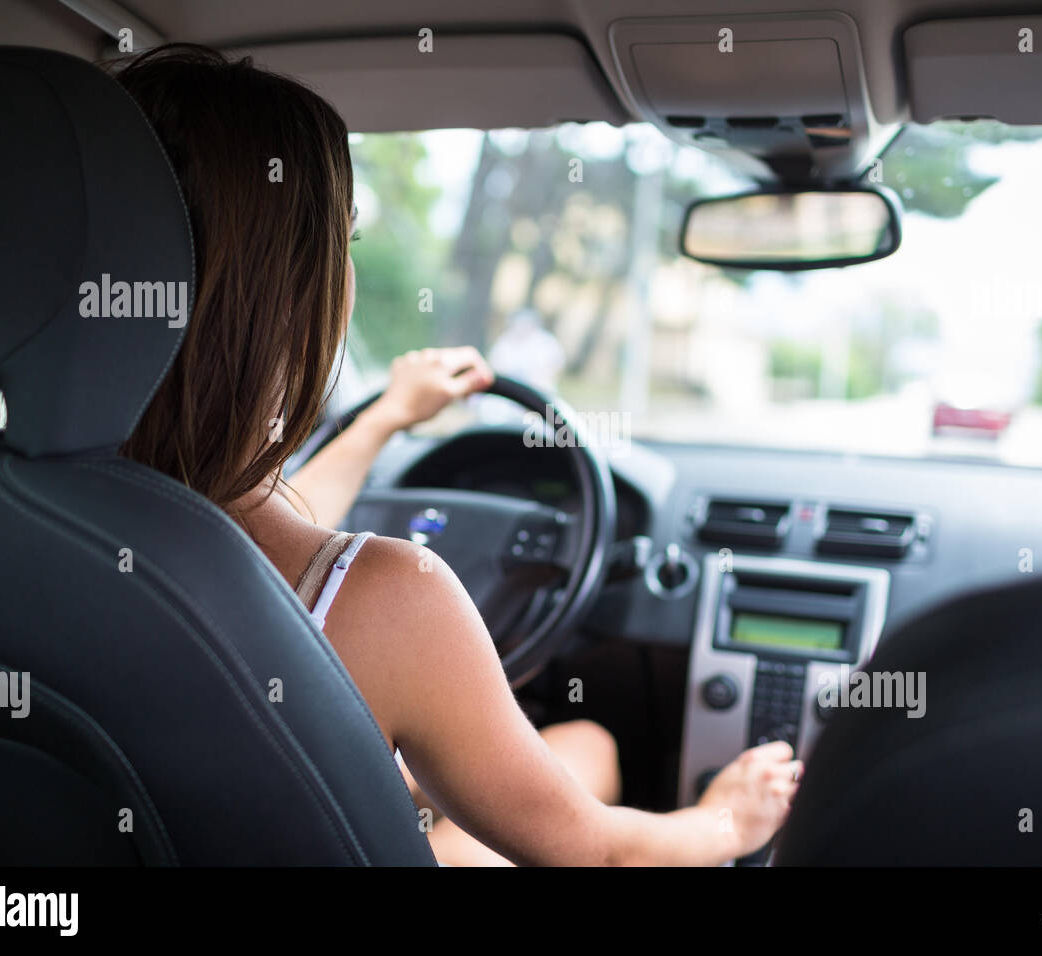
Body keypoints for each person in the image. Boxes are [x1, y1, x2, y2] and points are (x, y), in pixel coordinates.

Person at [114, 43, 800, 866]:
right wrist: (728, 820)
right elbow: (595, 853)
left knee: (583, 746)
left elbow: (247, 534)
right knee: (568, 767)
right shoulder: (396, 599)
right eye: (347, 242)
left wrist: (382, 423)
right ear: (299, 291)